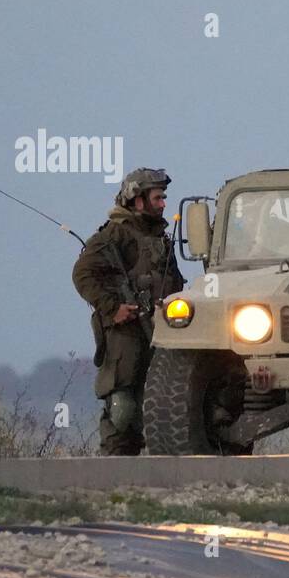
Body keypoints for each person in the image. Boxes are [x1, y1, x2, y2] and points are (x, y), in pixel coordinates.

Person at [72, 168, 185, 455]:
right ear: (137, 200)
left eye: (163, 198)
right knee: (122, 406)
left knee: (160, 402)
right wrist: (112, 308)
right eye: (157, 198)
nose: (163, 204)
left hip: (160, 330)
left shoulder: (160, 237)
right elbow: (83, 273)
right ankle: (115, 471)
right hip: (125, 332)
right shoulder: (114, 234)